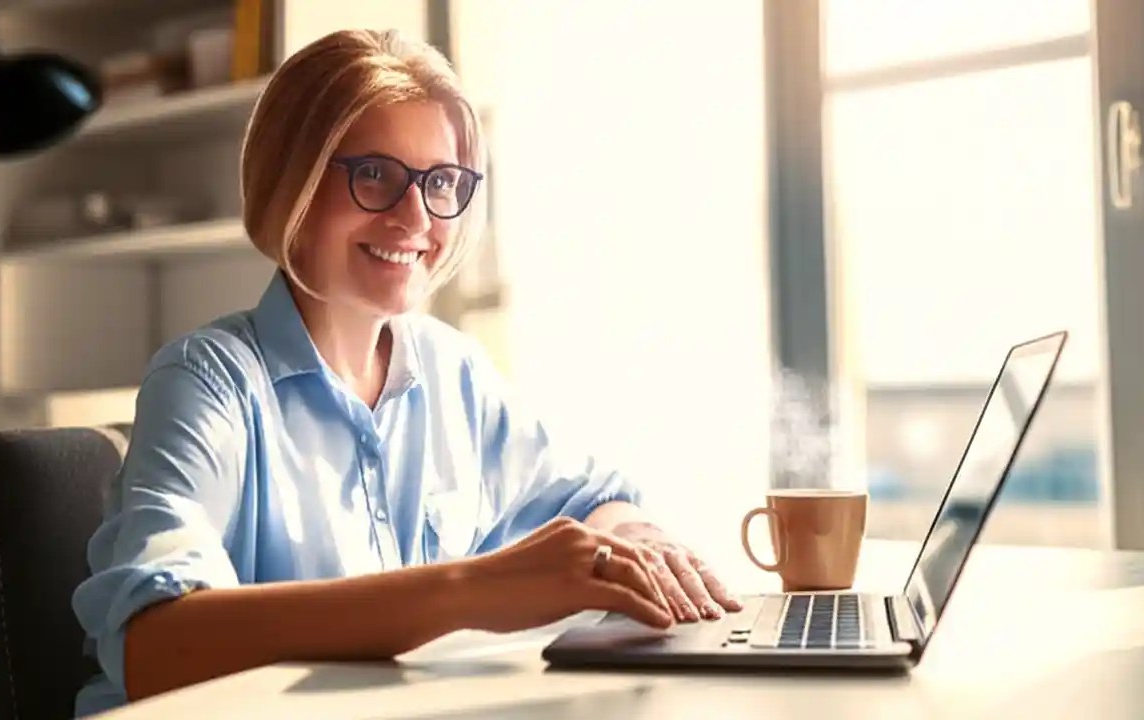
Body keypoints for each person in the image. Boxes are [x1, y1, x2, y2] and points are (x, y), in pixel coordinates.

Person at [71, 28, 740, 717]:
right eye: (375, 176)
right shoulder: (208, 383)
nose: (416, 216)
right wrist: (472, 589)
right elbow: (156, 649)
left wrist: (638, 543)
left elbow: (597, 500)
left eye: (441, 181)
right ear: (289, 181)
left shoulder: (454, 374)